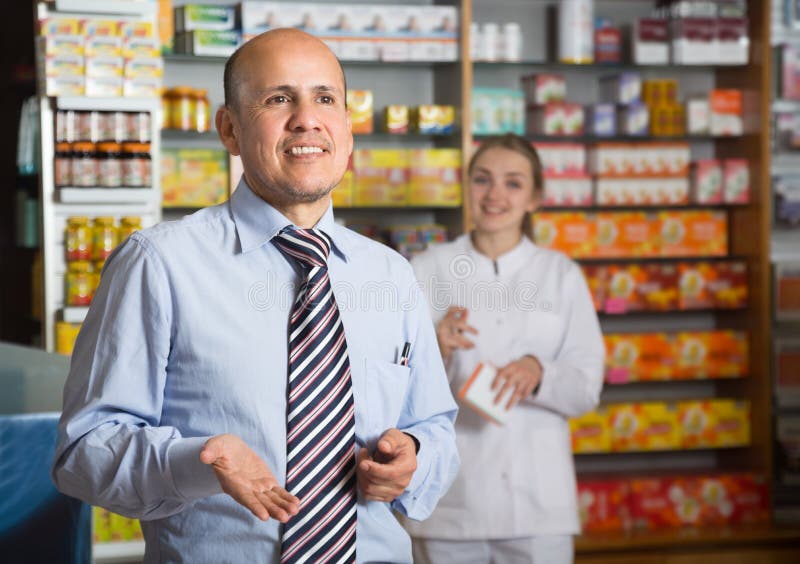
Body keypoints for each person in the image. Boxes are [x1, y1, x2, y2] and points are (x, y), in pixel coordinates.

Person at [52, 28, 459, 563]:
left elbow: (435, 429)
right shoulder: (159, 263)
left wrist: (415, 459)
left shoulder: (390, 274)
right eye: (278, 99)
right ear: (229, 129)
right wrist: (195, 462)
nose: (307, 119)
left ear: (348, 127)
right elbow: (84, 452)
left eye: (325, 99)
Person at [402, 133, 605, 563]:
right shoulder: (427, 268)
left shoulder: (560, 274)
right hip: (450, 504)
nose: (495, 194)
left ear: (535, 198)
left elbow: (587, 388)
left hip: (539, 508)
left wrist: (539, 372)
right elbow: (394, 391)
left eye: (513, 183)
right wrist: (437, 349)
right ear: (466, 187)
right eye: (482, 179)